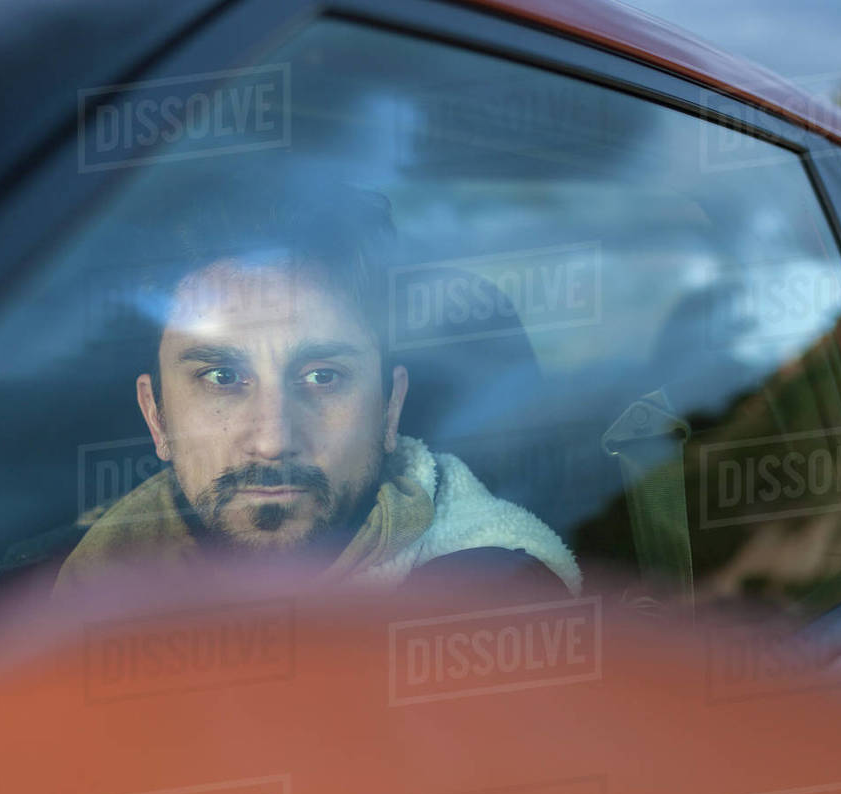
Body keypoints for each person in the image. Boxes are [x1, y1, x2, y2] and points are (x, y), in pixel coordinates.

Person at [52, 180, 580, 599]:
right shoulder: (68, 580)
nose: (273, 440)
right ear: (156, 416)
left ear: (390, 409)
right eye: (222, 377)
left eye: (322, 377)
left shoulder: (482, 593)